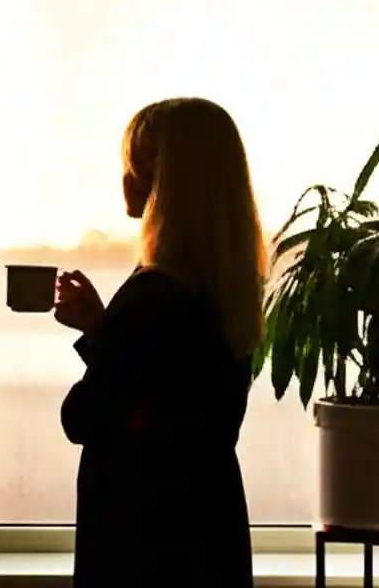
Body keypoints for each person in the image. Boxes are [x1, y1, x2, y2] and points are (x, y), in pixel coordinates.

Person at [54, 97, 266, 587]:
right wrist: (104, 330)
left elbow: (82, 416)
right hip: (207, 535)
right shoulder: (228, 290)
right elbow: (171, 400)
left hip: (142, 546)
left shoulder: (154, 294)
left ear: (163, 181)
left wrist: (105, 337)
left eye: (133, 165)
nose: (124, 179)